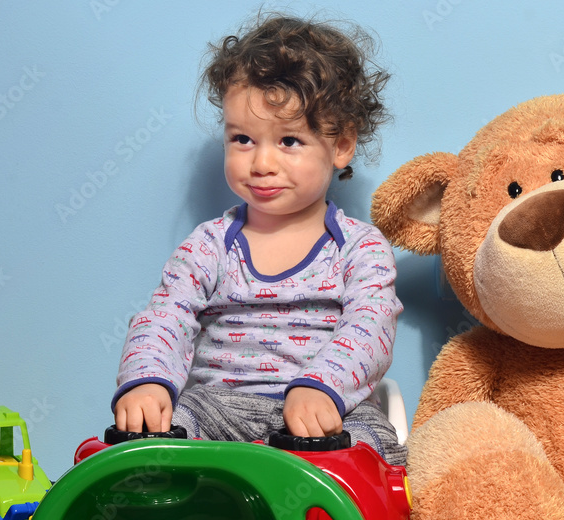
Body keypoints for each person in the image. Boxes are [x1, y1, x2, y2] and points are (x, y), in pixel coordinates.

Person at [112, 13, 405, 466]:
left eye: (289, 141)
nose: (262, 163)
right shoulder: (209, 245)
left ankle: (322, 504)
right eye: (243, 139)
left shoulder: (359, 247)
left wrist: (321, 387)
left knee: (372, 448)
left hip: (327, 411)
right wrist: (147, 380)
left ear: (342, 145)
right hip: (217, 409)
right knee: (155, 440)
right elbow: (166, 316)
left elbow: (371, 326)